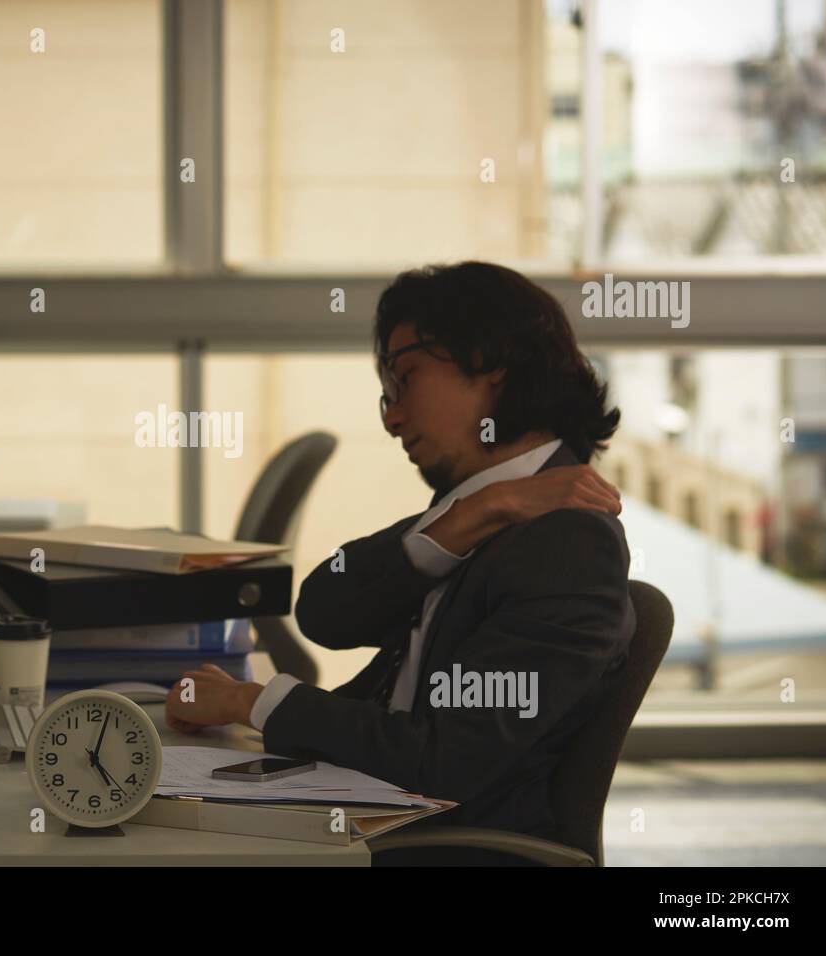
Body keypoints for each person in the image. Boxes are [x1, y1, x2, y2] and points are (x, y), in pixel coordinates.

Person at [164, 261, 635, 859]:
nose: (390, 418)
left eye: (406, 379)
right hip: (369, 814)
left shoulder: (567, 544)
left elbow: (440, 761)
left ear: (493, 361)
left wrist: (249, 701)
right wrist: (474, 513)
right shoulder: (484, 506)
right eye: (386, 394)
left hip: (435, 847)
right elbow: (325, 612)